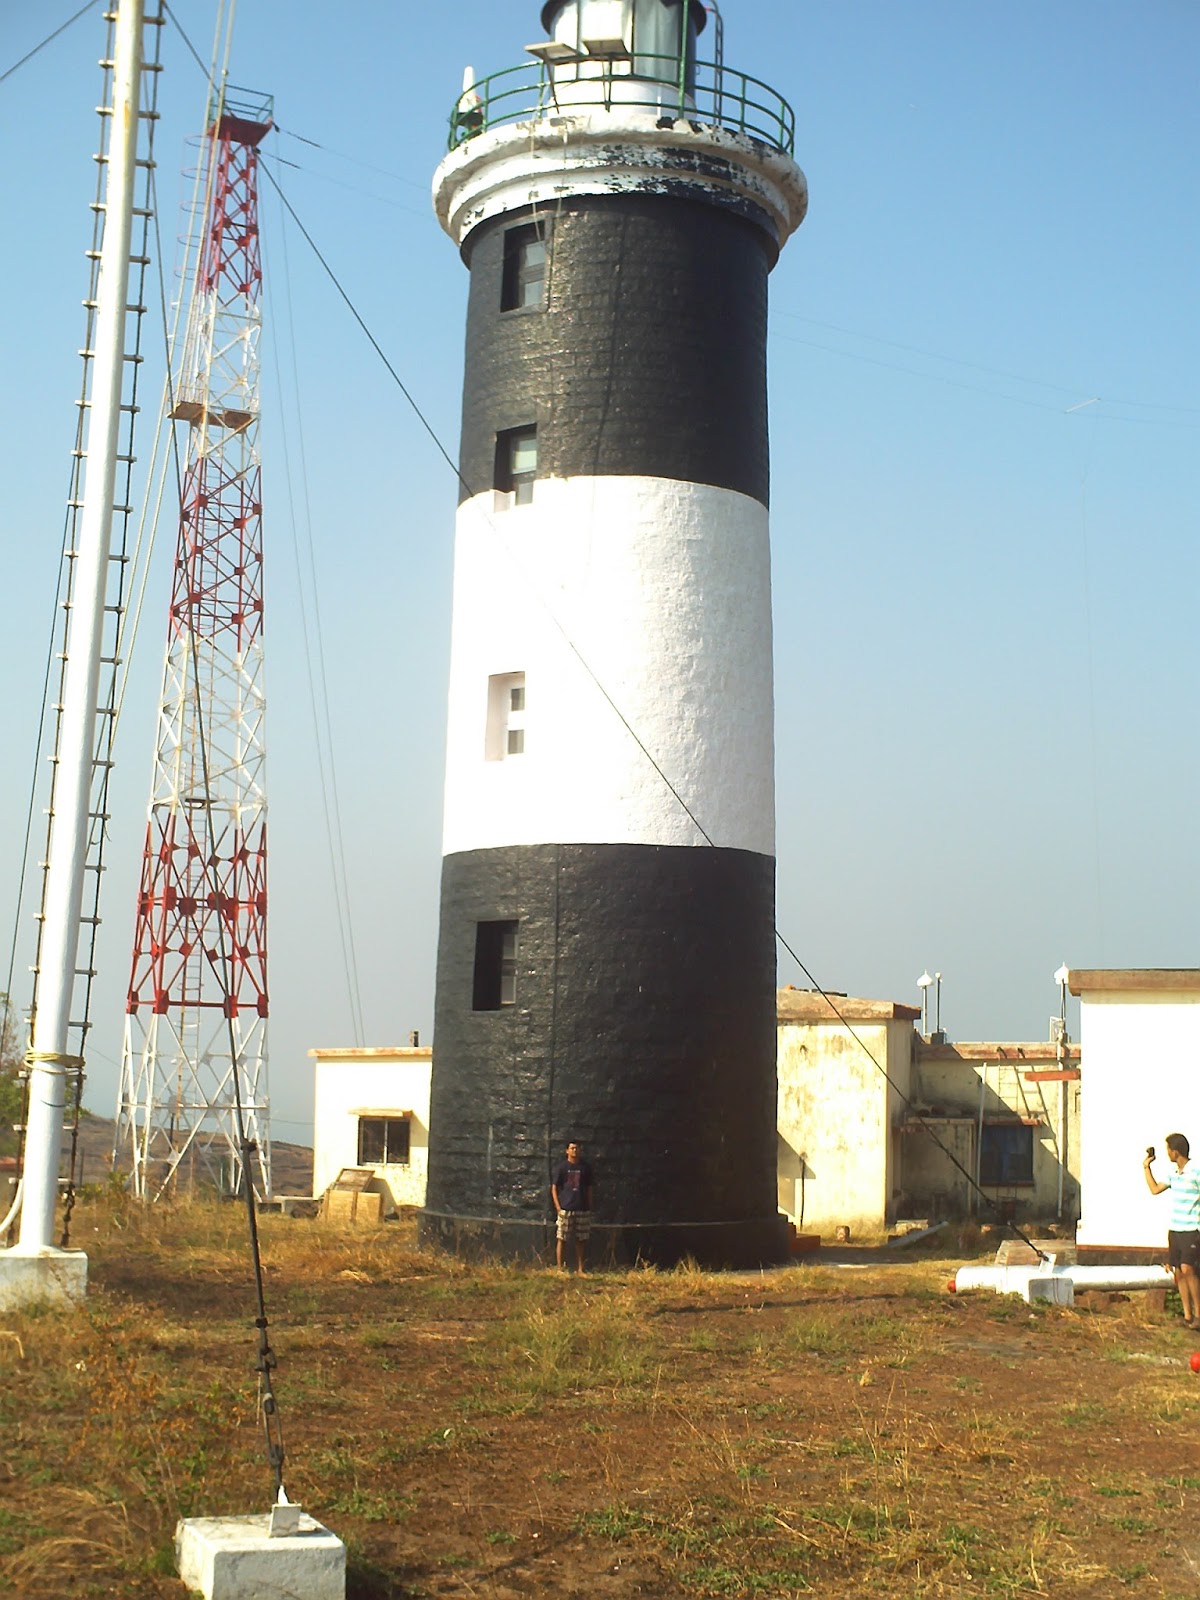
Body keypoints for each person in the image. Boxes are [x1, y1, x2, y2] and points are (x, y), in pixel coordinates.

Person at [1143, 1133, 1200, 1329]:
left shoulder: (1196, 1171)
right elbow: (1155, 1189)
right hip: (1175, 1229)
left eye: (1168, 1149)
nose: (1167, 1152)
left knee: (1188, 1268)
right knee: (1178, 1272)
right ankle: (1187, 1315)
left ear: (1176, 1151)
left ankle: (1199, 1315)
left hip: (1192, 1229)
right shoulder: (1174, 1173)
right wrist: (1146, 1167)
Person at [551, 1139, 594, 1274]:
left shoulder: (585, 1168)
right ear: (567, 1151)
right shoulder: (561, 1168)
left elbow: (589, 1188)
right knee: (562, 1238)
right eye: (572, 1148)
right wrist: (558, 1207)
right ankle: (560, 1269)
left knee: (581, 1240)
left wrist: (589, 1205)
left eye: (577, 1148)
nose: (575, 1151)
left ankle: (581, 1269)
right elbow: (554, 1188)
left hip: (581, 1208)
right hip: (566, 1208)